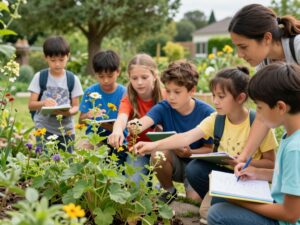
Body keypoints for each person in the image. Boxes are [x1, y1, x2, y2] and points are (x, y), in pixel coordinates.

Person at [134, 66, 277, 204]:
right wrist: (152, 145)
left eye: (221, 97)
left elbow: (271, 164)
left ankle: (223, 202)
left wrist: (243, 162)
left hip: (248, 179)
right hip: (223, 177)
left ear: (240, 98)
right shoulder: (216, 119)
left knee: (206, 211)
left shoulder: (258, 125)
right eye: (214, 96)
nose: (215, 101)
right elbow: (185, 137)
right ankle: (216, 200)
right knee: (195, 170)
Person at [207, 63, 300, 225]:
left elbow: (290, 214)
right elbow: (291, 179)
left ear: (280, 107)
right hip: (280, 208)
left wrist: (239, 201)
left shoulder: (295, 149)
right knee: (218, 202)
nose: (258, 114)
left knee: (218, 213)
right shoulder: (291, 135)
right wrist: (257, 172)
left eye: (260, 107)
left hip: (285, 221)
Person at [127, 60, 214, 203]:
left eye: (177, 92)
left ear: (192, 90)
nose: (171, 97)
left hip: (196, 165)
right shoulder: (164, 107)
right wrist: (134, 125)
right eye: (168, 91)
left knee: (194, 202)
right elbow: (144, 121)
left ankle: (188, 190)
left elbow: (210, 150)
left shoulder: (207, 113)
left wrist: (191, 152)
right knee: (158, 152)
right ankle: (168, 190)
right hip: (172, 162)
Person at [228, 3, 300, 163]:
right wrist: (244, 157)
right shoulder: (264, 65)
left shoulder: (298, 47)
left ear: (267, 38)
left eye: (243, 46)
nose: (240, 54)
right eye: (237, 47)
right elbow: (263, 115)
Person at [108, 53, 163, 184]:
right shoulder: (129, 98)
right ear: (129, 78)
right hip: (138, 149)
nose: (139, 82)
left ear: (155, 76)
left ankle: (165, 187)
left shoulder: (165, 96)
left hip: (162, 148)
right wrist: (117, 131)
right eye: (134, 78)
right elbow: (121, 118)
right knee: (133, 184)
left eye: (144, 77)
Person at [28, 36, 83, 152]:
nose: (57, 64)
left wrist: (69, 112)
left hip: (66, 130)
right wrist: (44, 103)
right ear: (45, 58)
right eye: (53, 60)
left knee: (67, 162)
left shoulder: (72, 79)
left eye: (61, 60)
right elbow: (31, 105)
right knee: (45, 161)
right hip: (44, 129)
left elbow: (76, 106)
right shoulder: (40, 77)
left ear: (68, 56)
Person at [78, 50, 126, 152]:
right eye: (101, 76)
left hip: (118, 138)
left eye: (109, 76)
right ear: (95, 74)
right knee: (83, 149)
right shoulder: (90, 92)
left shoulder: (124, 93)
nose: (105, 80)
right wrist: (88, 115)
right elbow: (80, 120)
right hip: (95, 137)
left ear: (118, 72)